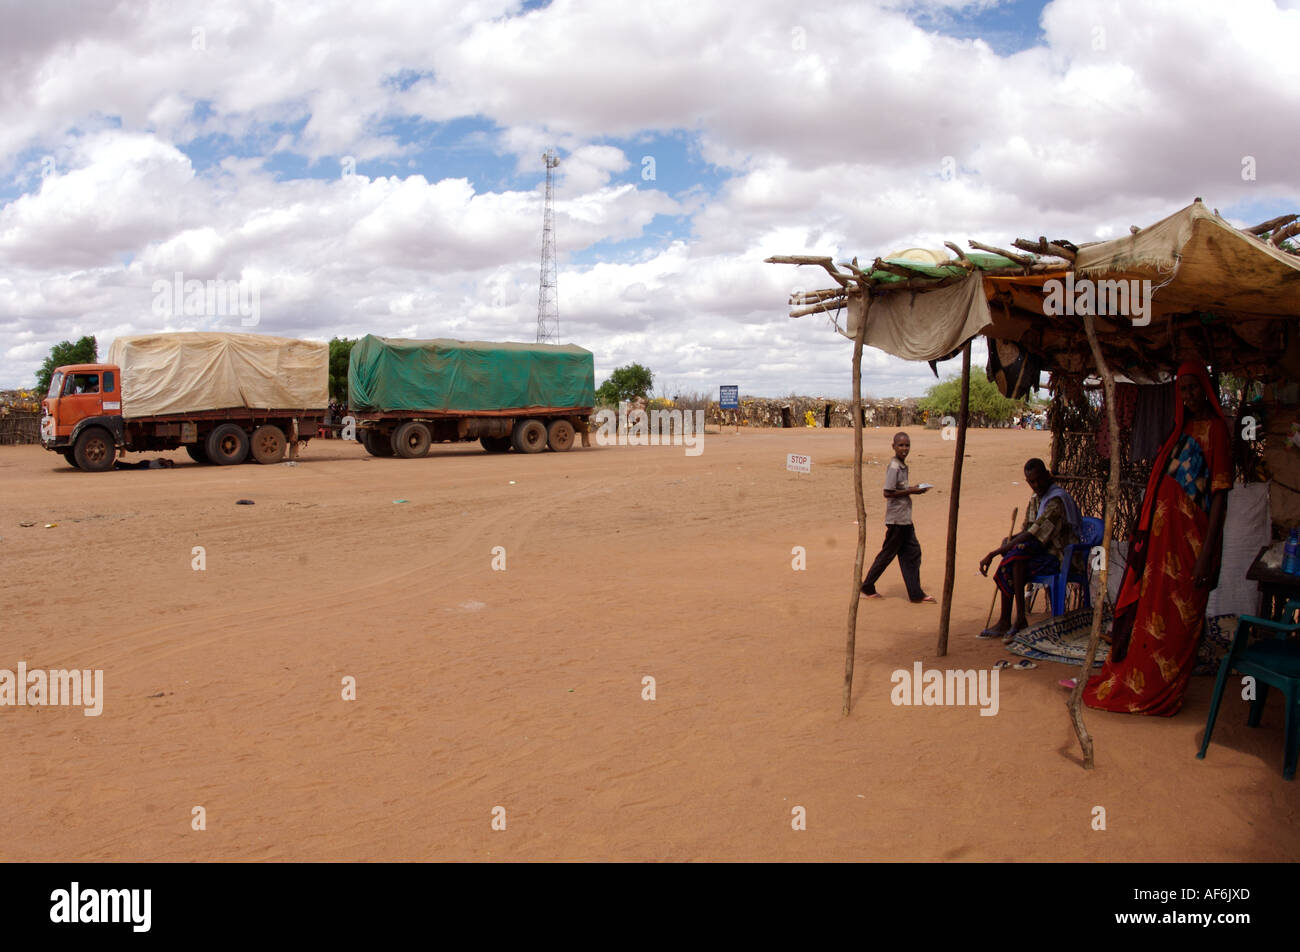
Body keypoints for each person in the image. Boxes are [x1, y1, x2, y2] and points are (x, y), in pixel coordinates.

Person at [1081, 362, 1231, 716]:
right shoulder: (1182, 430)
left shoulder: (1218, 433)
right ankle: (1144, 684)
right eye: (1183, 389)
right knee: (1153, 616)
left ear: (1206, 388)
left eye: (1194, 387)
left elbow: (1221, 495)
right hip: (1162, 547)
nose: (1189, 395)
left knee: (1180, 623)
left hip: (1193, 545)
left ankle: (1168, 694)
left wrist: (1208, 555)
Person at [978, 458, 1082, 638]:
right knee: (1012, 556)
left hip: (1061, 556)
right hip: (1043, 552)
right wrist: (1006, 543)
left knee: (1016, 555)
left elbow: (1034, 534)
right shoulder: (1037, 498)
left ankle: (1019, 619)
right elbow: (1027, 529)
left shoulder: (1055, 500)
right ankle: (1006, 620)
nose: (1036, 485)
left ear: (1047, 476)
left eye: (1039, 479)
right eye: (1032, 482)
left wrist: (994, 553)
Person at [861, 432, 935, 603]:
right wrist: (911, 491)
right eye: (901, 445)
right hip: (897, 520)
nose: (904, 448)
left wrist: (913, 488)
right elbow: (887, 492)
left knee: (912, 553)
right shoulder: (894, 466)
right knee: (888, 554)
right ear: (893, 446)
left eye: (907, 445)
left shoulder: (902, 465)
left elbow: (898, 488)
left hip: (904, 519)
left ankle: (915, 593)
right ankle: (867, 586)